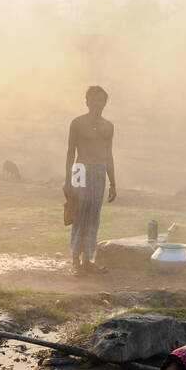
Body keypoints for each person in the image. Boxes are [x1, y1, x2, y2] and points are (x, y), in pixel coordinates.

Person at [63, 85, 117, 275]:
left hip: (100, 170)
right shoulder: (77, 123)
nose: (97, 103)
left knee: (94, 215)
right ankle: (75, 261)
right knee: (79, 213)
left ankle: (88, 259)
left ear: (105, 102)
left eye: (101, 99)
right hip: (80, 169)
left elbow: (109, 154)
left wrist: (113, 182)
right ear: (86, 101)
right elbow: (71, 151)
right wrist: (68, 180)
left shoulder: (108, 126)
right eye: (93, 99)